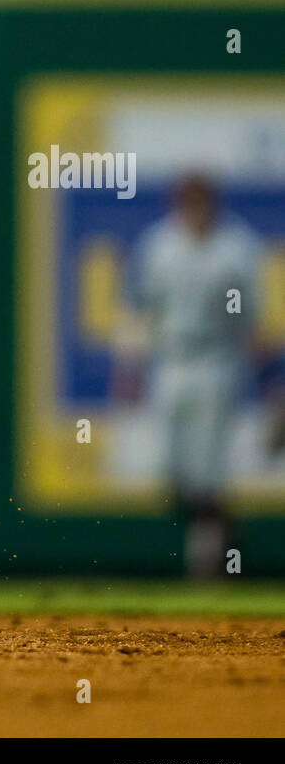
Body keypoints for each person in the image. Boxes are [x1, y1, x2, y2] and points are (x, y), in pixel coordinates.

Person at [127, 174, 263, 578]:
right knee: (171, 470)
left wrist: (269, 375)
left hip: (217, 359)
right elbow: (144, 308)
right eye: (188, 201)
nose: (195, 209)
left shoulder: (237, 248)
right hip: (170, 358)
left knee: (208, 468)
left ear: (213, 203)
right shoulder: (159, 244)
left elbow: (250, 318)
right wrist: (130, 367)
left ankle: (207, 566)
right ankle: (225, 524)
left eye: (201, 201)